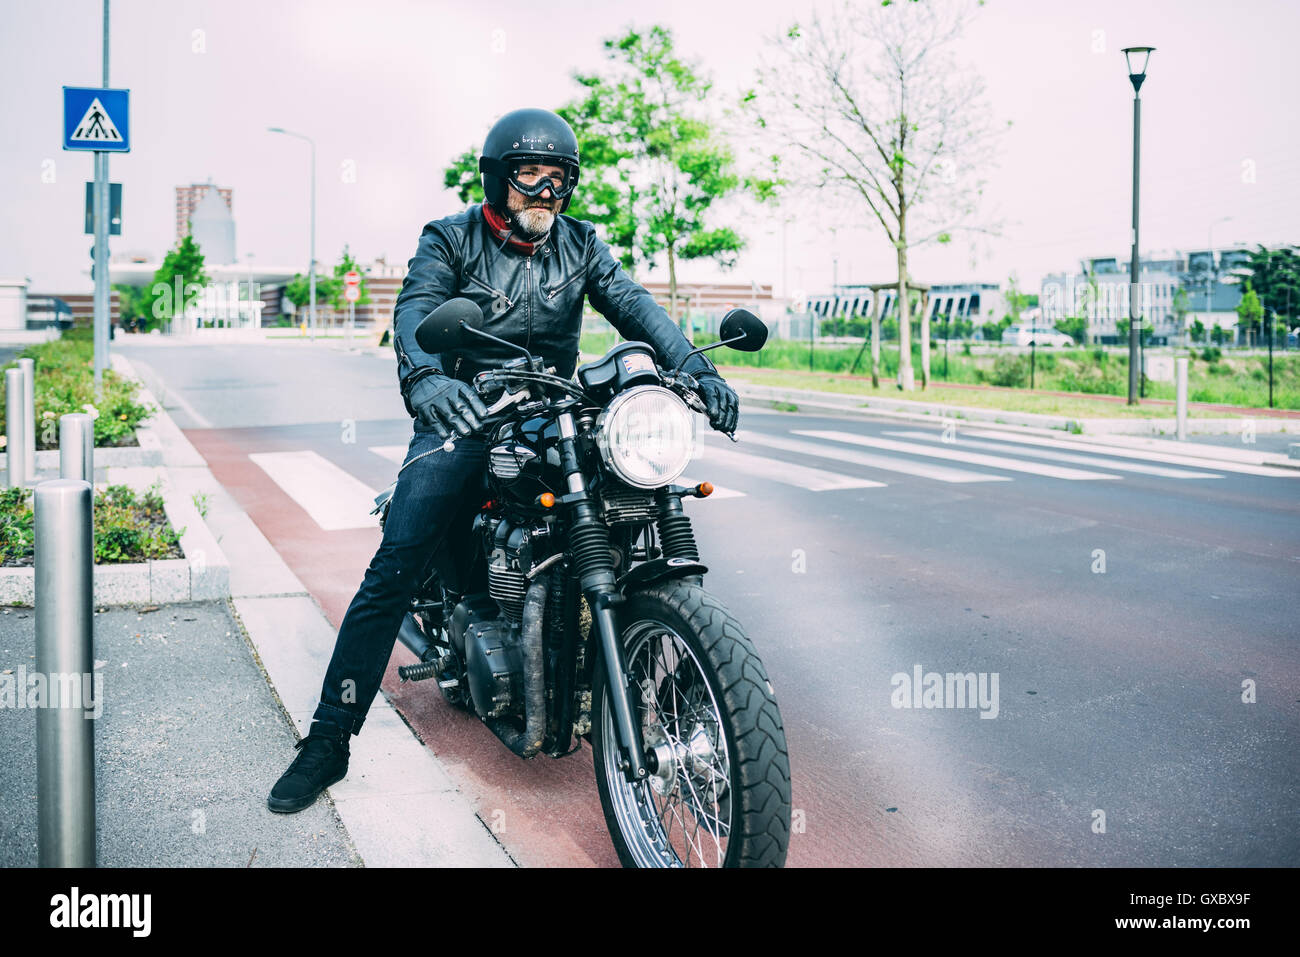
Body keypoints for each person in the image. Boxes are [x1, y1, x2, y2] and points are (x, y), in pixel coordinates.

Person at [267, 107, 740, 813]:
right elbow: (415, 312)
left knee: (634, 496)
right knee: (397, 557)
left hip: (554, 409)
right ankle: (328, 738)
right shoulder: (450, 238)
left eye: (560, 180)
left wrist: (696, 370)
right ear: (497, 179)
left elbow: (637, 307)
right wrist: (429, 380)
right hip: (466, 411)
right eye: (530, 176)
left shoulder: (582, 246)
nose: (545, 192)